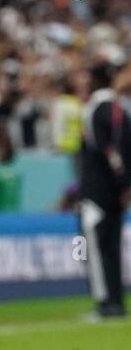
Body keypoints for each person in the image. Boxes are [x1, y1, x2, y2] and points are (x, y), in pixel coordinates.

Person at [77, 63, 131, 319]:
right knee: (112, 248)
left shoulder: (97, 109)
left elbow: (106, 151)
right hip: (116, 193)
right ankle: (117, 301)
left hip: (98, 192)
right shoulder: (121, 109)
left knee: (97, 248)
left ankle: (105, 302)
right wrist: (126, 185)